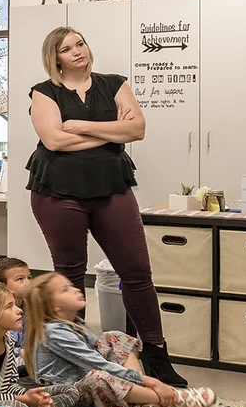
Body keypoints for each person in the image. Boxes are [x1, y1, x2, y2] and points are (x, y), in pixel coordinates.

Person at [25, 25, 186, 386]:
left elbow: (137, 130)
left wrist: (80, 126)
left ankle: (157, 355)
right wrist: (111, 132)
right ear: (56, 58)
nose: (77, 51)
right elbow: (52, 141)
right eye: (67, 49)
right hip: (58, 191)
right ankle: (73, 355)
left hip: (112, 187)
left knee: (138, 274)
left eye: (80, 43)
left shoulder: (114, 83)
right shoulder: (44, 92)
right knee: (68, 276)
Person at [23, 274, 216, 407]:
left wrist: (143, 380)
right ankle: (171, 399)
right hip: (68, 400)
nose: (76, 289)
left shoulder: (74, 324)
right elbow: (98, 364)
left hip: (83, 384)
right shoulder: (54, 333)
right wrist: (154, 383)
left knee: (112, 338)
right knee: (98, 376)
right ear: (54, 307)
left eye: (71, 286)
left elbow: (103, 352)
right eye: (65, 289)